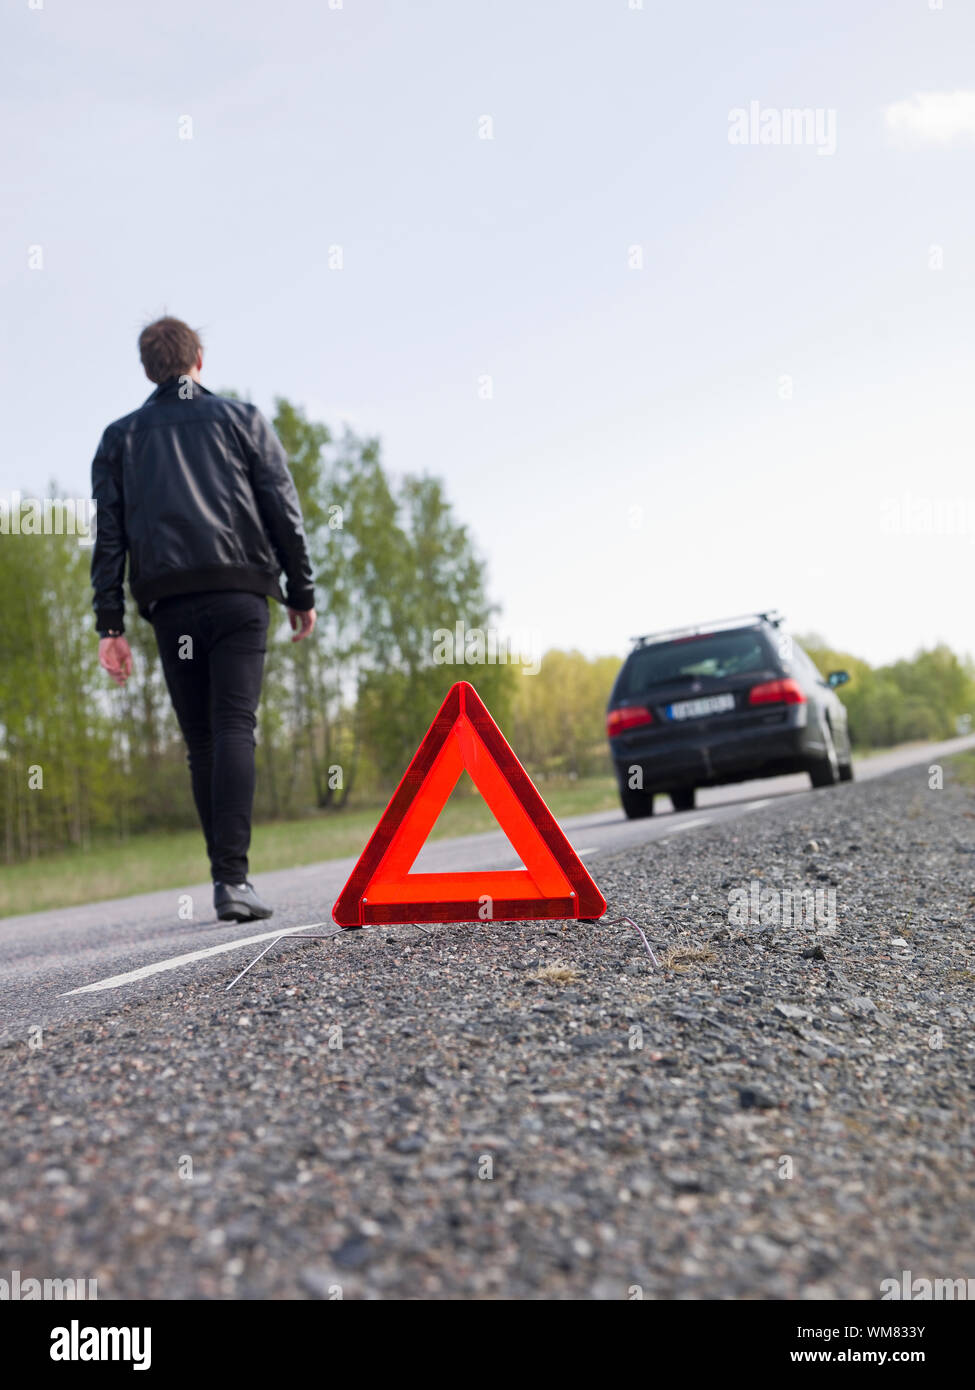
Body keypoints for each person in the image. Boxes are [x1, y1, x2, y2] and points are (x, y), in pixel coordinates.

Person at [90, 316, 316, 923]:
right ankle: (233, 882)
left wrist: (109, 624)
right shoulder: (242, 420)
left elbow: (108, 538)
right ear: (198, 360)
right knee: (235, 726)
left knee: (204, 743)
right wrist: (301, 589)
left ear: (148, 369)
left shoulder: (120, 438)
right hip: (242, 592)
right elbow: (282, 508)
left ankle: (227, 880)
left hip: (173, 602)